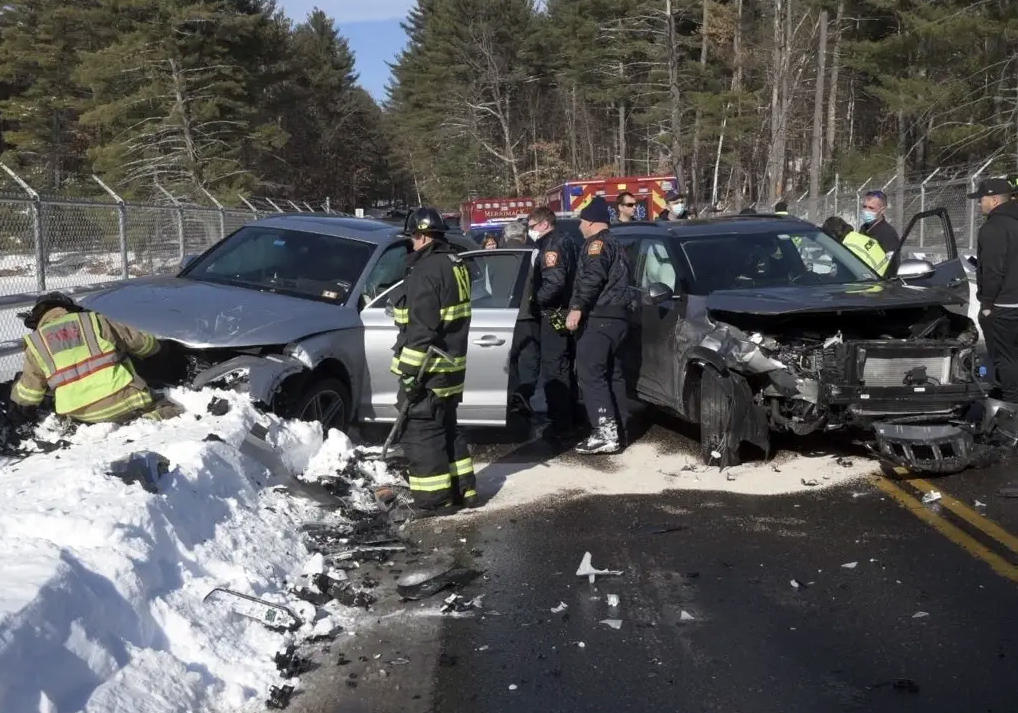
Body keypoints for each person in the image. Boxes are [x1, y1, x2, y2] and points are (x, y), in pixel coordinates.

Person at [390, 207, 478, 512]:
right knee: (448, 426)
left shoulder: (426, 270)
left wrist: (409, 373)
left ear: (424, 237)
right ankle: (465, 490)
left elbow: (421, 329)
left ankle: (433, 500)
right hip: (451, 367)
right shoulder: (456, 262)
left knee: (421, 431)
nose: (411, 244)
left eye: (413, 238)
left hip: (429, 370)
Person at [9, 292, 179, 430]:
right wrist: (159, 351)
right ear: (67, 308)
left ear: (38, 319)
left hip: (80, 413)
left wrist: (17, 397)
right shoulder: (93, 321)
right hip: (124, 401)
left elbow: (28, 395)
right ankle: (147, 422)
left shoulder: (36, 343)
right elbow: (143, 344)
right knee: (172, 408)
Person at [566, 196, 633, 455]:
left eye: (582, 221)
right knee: (612, 374)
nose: (579, 226)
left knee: (590, 374)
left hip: (601, 317)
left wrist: (577, 307)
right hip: (618, 318)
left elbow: (592, 278)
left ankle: (604, 433)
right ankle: (619, 431)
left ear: (592, 222)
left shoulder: (597, 245)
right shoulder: (617, 243)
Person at [526, 206, 580, 441]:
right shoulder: (566, 240)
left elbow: (555, 281)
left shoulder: (551, 246)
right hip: (566, 312)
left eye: (531, 226)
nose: (530, 231)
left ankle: (561, 423)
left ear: (544, 224)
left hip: (554, 313)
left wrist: (536, 301)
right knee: (565, 367)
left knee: (554, 369)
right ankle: (570, 416)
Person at [970, 179, 1018, 405]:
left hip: (1004, 305)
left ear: (995, 200)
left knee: (1005, 358)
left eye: (982, 198)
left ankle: (1010, 408)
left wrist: (987, 304)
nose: (979, 203)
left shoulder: (993, 228)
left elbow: (993, 270)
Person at [821, 216, 889, 276]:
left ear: (833, 236)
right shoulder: (857, 237)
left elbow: (842, 277)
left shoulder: (846, 250)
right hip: (886, 277)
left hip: (874, 283)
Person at [860, 189, 899, 255]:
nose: (866, 211)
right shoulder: (864, 228)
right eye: (864, 207)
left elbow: (892, 260)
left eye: (871, 208)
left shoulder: (888, 234)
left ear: (882, 210)